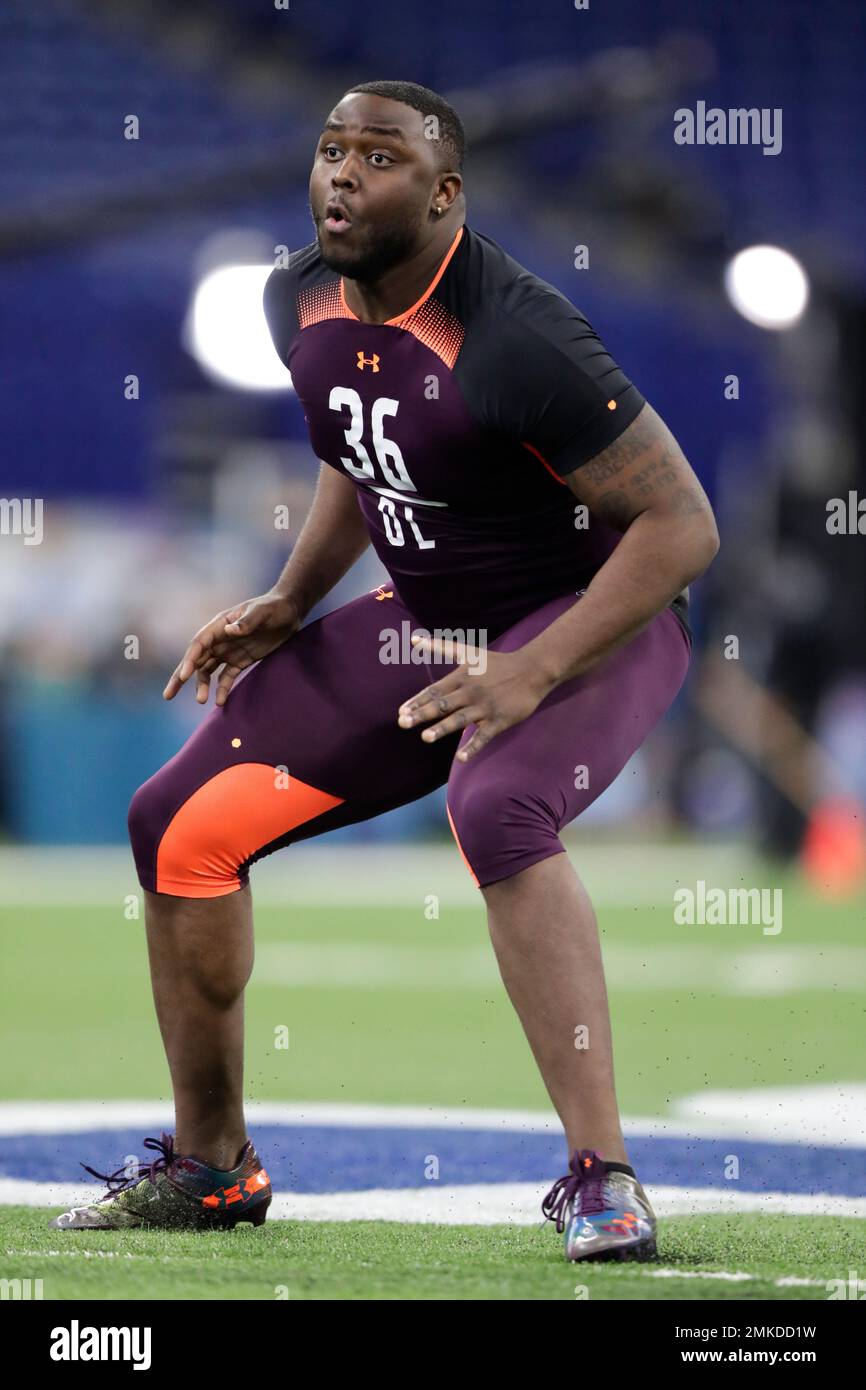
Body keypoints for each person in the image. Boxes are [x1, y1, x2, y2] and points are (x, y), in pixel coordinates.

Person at [52, 80, 718, 1261]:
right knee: (179, 825)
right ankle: (211, 1166)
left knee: (497, 805)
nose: (341, 175)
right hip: (425, 621)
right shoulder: (295, 292)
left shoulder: (518, 335)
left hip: (588, 620)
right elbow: (360, 454)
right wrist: (289, 598)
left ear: (445, 193)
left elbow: (679, 527)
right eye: (328, 150)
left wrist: (533, 669)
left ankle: (602, 1176)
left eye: (379, 155)